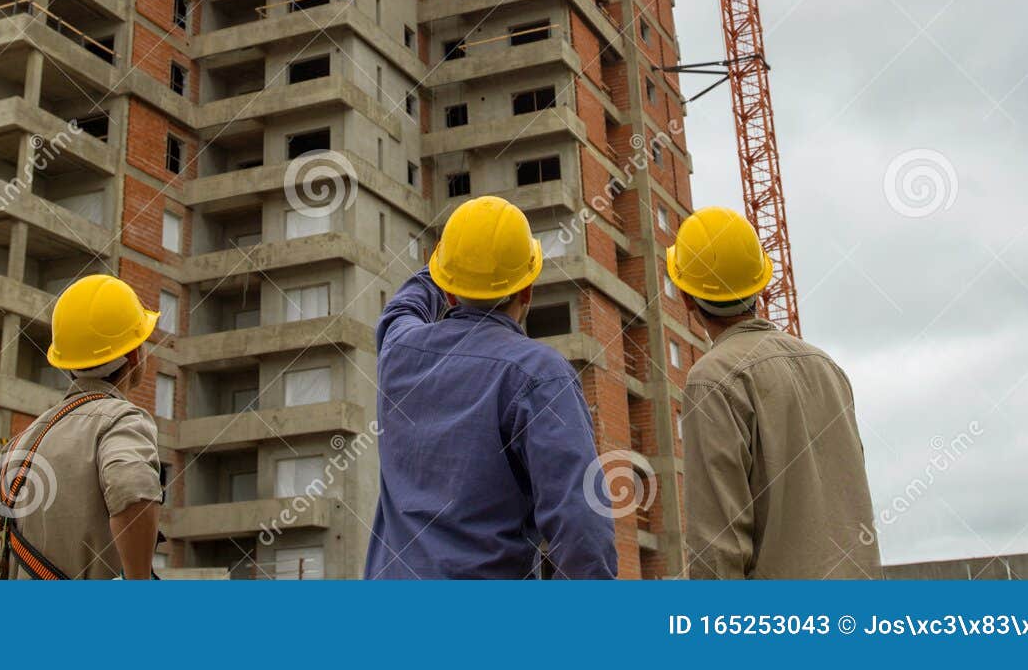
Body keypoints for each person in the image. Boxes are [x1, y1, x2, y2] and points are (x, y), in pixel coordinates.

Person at [365, 195, 618, 579]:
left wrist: (455, 256)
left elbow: (401, 308)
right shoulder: (538, 374)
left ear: (447, 290)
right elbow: (580, 522)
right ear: (528, 291)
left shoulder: (399, 351)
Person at [668, 206, 880, 579]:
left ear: (686, 298)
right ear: (761, 285)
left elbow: (717, 544)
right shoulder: (828, 368)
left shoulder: (712, 379)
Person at [0, 273, 164, 580]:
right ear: (134, 355)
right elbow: (133, 489)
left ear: (66, 362)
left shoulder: (21, 444)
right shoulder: (122, 421)